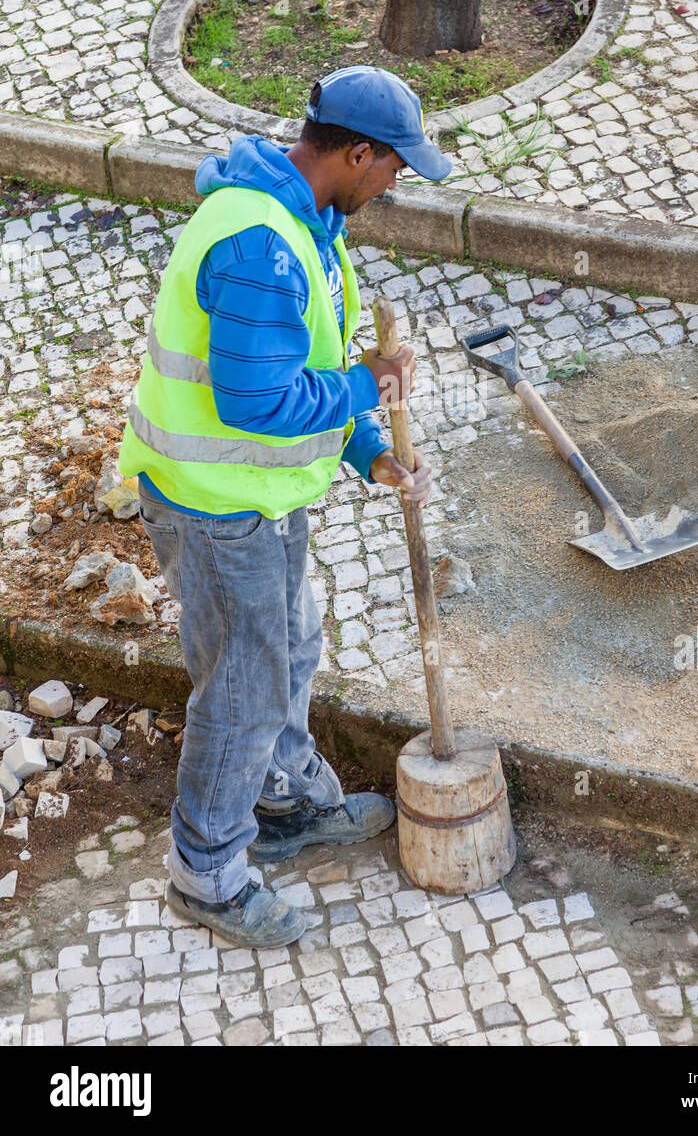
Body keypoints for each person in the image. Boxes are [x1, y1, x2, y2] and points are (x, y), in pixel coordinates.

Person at [118, 65, 453, 947]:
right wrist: (362, 388)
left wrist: (372, 450)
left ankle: (282, 797)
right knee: (244, 686)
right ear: (355, 152)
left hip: (255, 495)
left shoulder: (308, 220)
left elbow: (311, 369)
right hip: (218, 505)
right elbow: (257, 403)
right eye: (394, 168)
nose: (396, 183)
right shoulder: (260, 245)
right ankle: (208, 871)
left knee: (290, 645)